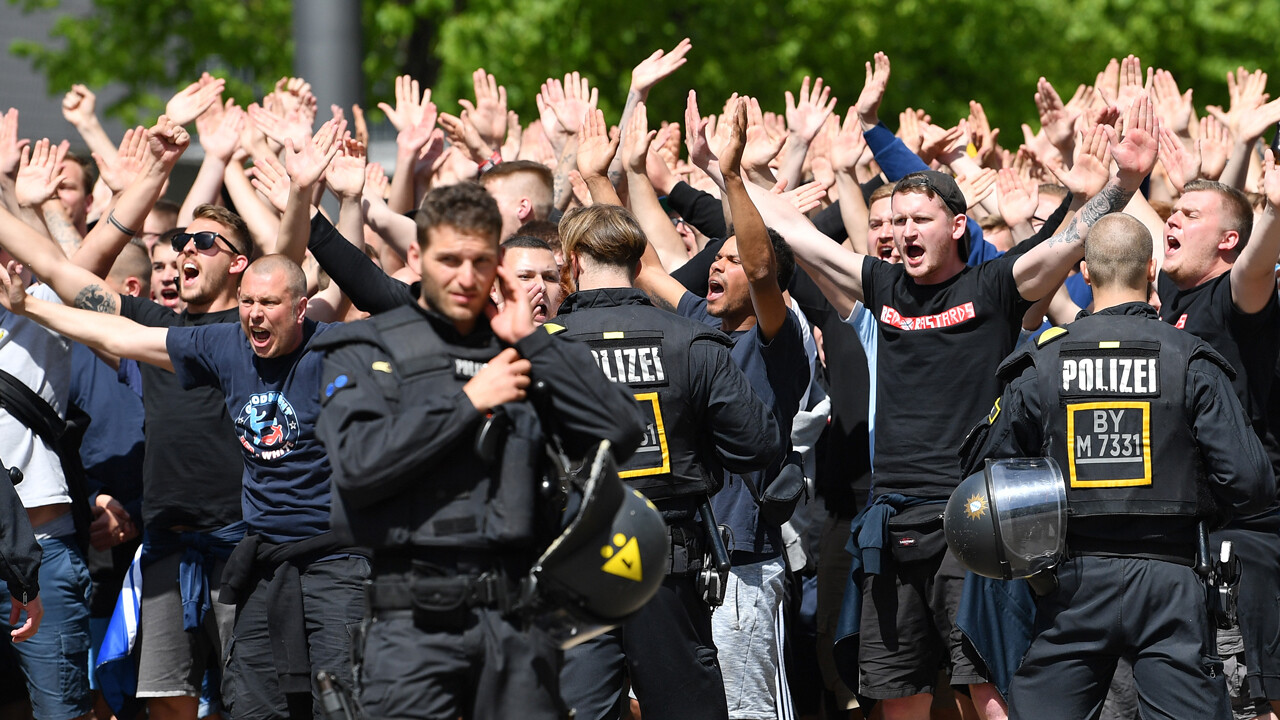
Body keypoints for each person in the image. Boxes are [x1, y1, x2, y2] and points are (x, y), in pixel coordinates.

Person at [739, 65, 1158, 716]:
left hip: (978, 522)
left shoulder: (992, 288)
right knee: (895, 696)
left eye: (920, 219)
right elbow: (795, 236)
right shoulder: (882, 287)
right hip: (892, 524)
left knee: (988, 694)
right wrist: (730, 174)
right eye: (897, 220)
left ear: (958, 225)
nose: (904, 232)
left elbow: (1067, 246)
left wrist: (1120, 184)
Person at [313, 182, 645, 719]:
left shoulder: (527, 348)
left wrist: (530, 339)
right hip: (413, 622)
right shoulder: (367, 349)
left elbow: (621, 431)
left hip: (516, 623)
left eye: (480, 262)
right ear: (416, 256)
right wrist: (469, 402)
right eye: (449, 260)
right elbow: (359, 465)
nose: (466, 278)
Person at [0, 247, 368, 720]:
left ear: (300, 308)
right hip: (262, 562)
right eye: (248, 302)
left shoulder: (338, 347)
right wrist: (29, 306)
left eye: (269, 303)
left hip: (334, 560)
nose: (255, 314)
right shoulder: (227, 344)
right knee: (253, 705)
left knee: (341, 702)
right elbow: (122, 334)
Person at [967, 213, 1275, 719]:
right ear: (1151, 269)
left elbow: (983, 478)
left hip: (1071, 584)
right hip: (1173, 580)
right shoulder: (1191, 359)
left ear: (1085, 272)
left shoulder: (1042, 363)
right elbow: (1252, 483)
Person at [550, 202, 784, 720]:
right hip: (667, 566)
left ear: (573, 261)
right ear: (638, 265)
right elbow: (759, 445)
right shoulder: (690, 340)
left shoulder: (537, 351)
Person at [624, 100, 810, 720]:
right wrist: (618, 172)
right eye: (716, 257)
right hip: (688, 561)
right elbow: (640, 267)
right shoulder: (700, 327)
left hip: (747, 569)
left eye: (730, 259)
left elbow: (760, 266)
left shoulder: (778, 338)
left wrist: (730, 176)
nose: (719, 265)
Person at [1155, 168, 1280, 719]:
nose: (1172, 221)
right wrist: (1124, 177)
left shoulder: (1236, 297)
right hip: (1188, 529)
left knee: (1255, 701)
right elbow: (1136, 222)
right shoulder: (1170, 290)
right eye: (1173, 213)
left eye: (1190, 215)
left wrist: (1273, 211)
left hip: (1245, 533)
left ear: (1228, 240)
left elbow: (1255, 268)